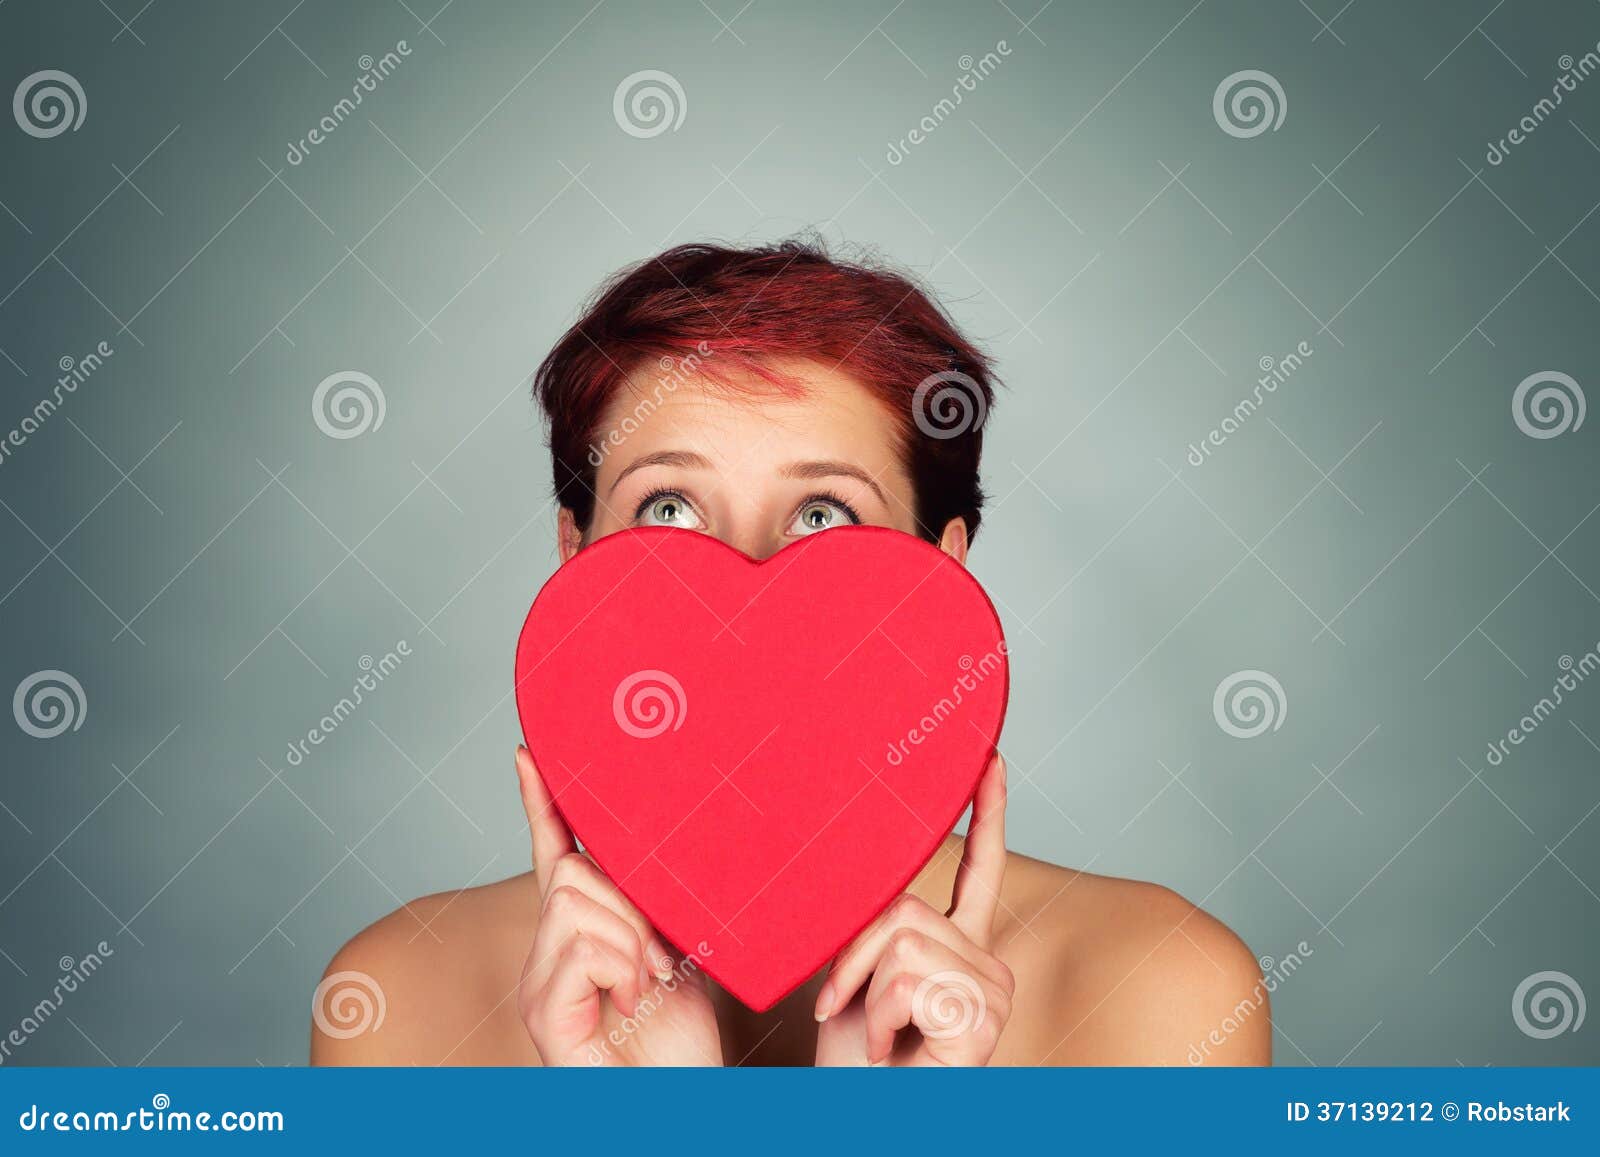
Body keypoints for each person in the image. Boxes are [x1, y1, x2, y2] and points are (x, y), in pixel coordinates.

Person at [312, 240, 1269, 1066]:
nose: (743, 586)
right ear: (574, 555)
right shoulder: (398, 1002)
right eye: (668, 508)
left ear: (943, 576)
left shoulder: (1163, 992)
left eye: (822, 515)